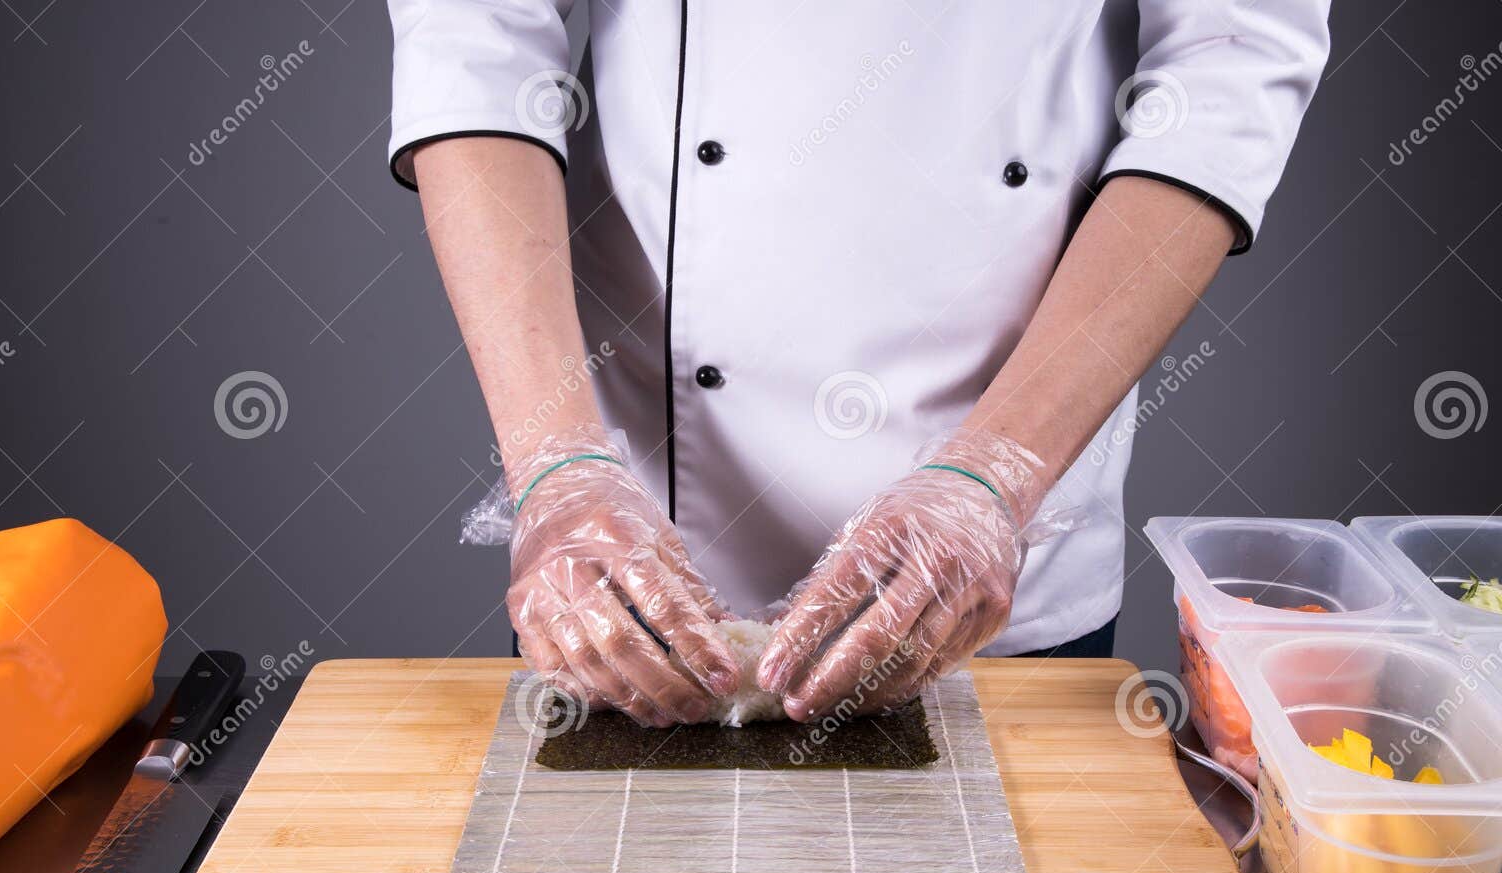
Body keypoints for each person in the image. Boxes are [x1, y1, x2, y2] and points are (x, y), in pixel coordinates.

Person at [387, 2, 1330, 726]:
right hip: (629, 557)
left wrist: (991, 480)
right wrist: (557, 466)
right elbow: (477, 44)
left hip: (1003, 539)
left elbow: (1230, 68)